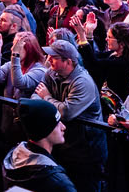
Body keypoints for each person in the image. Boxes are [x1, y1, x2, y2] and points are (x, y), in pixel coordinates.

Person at [36, 39, 105, 192]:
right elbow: (36, 95)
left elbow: (66, 112)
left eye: (54, 57)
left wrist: (46, 97)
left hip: (86, 151)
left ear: (68, 61)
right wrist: (44, 99)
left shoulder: (83, 82)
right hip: (65, 146)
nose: (48, 60)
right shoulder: (51, 73)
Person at [3, 97, 77, 192]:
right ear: (45, 130)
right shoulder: (60, 183)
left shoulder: (11, 160)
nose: (63, 127)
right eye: (57, 123)